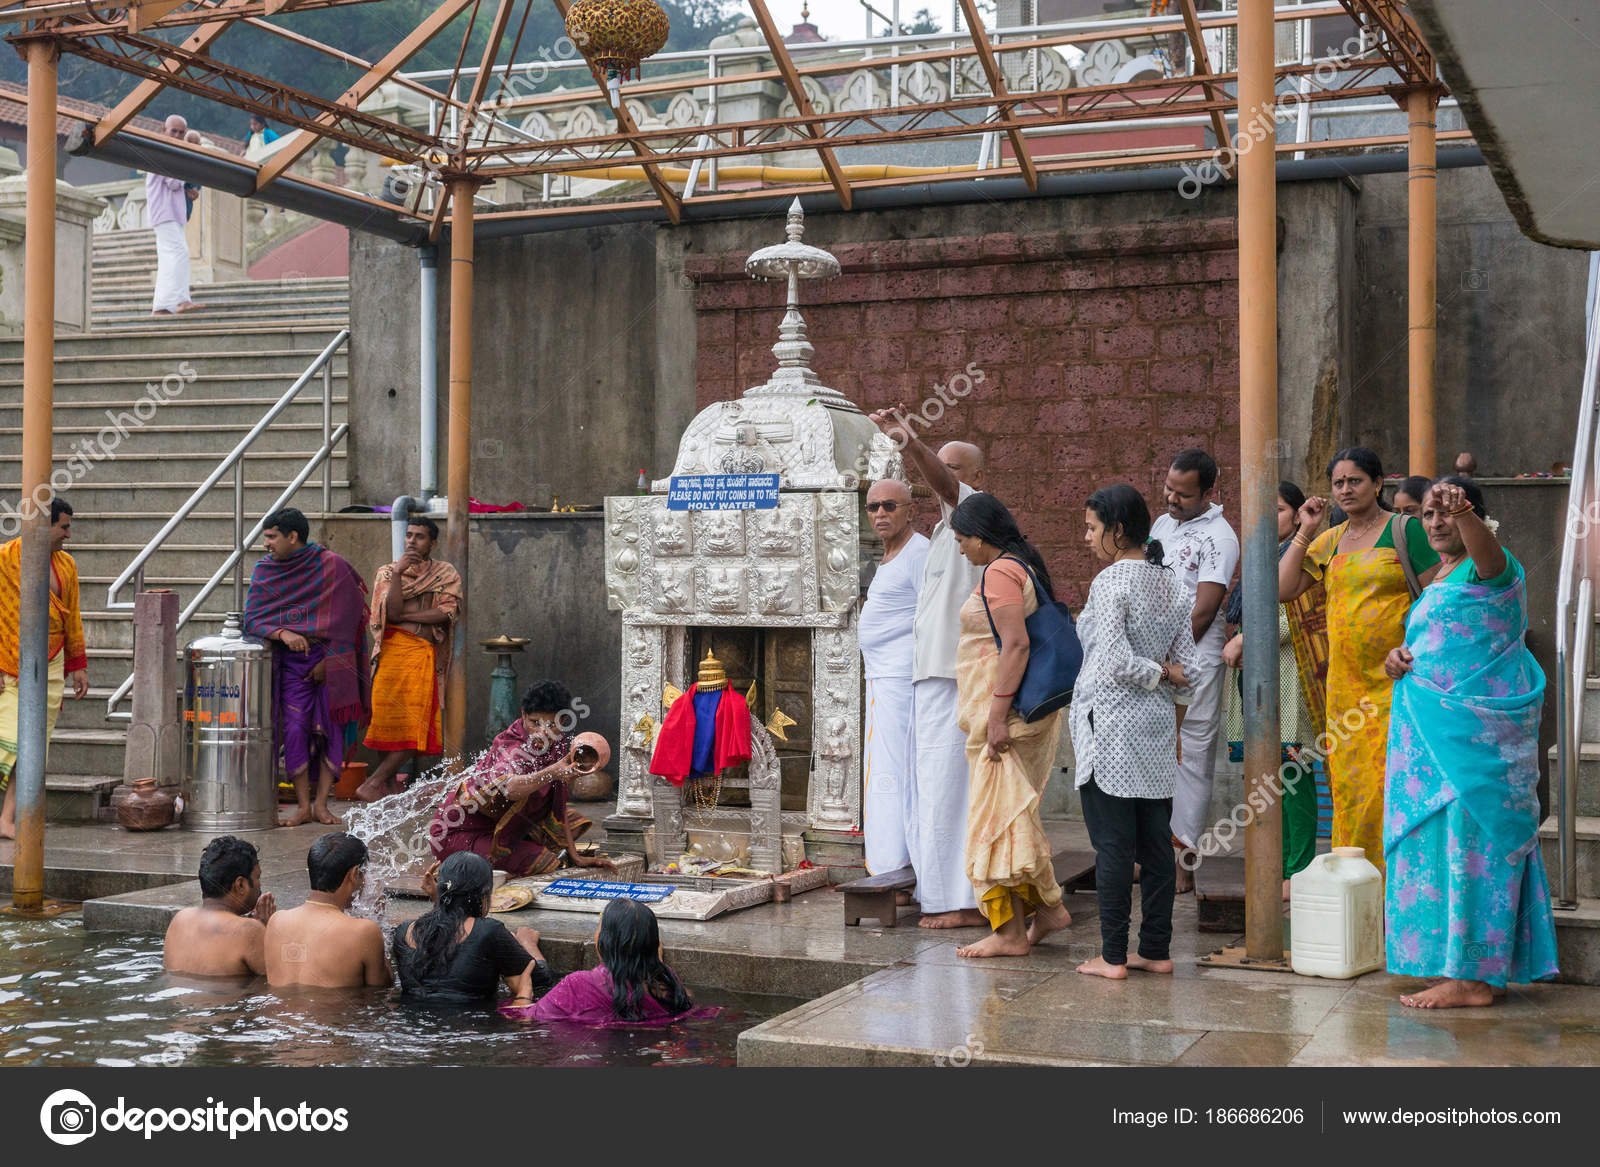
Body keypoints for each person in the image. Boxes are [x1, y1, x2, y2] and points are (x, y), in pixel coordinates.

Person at [1384, 477, 1559, 1007]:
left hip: (1475, 744)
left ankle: (1474, 977)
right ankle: (1446, 961)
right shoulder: (1441, 576)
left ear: (1474, 518)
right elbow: (1436, 643)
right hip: (1429, 744)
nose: (1435, 523)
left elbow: (1489, 558)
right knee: (1436, 848)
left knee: (1470, 848)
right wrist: (1399, 656)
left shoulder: (1496, 569)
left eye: (1446, 514)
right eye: (1428, 516)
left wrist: (1464, 514)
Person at [1280, 446, 1439, 871]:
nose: (1346, 489)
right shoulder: (1330, 541)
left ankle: (1398, 886)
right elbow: (1284, 587)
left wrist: (1414, 651)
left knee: (1388, 788)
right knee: (1350, 792)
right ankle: (1357, 884)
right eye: (1338, 483)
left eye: (1355, 481)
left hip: (1398, 684)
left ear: (1378, 483)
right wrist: (1305, 530)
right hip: (1344, 690)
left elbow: (1437, 601)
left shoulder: (1406, 531)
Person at [868, 404, 988, 929]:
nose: (938, 480)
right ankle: (940, 894)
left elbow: (943, 485)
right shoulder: (948, 532)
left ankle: (959, 901)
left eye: (951, 471)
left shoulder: (974, 511)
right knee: (930, 791)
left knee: (944, 789)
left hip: (949, 677)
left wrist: (909, 443)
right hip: (929, 679)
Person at [1071, 485, 1196, 979]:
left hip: (1112, 730)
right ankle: (1156, 950)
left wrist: (1160, 673)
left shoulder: (1111, 581)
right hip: (1157, 727)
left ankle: (1113, 956)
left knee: (1114, 848)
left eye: (1092, 528)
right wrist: (1171, 689)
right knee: (1155, 846)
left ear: (1117, 530)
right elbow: (1192, 669)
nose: (1087, 537)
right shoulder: (1173, 585)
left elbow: (1117, 662)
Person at [946, 494, 1073, 958]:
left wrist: (997, 716)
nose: (961, 549)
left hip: (1005, 716)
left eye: (962, 540)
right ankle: (1042, 912)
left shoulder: (1000, 571)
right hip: (1011, 712)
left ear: (980, 536)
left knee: (996, 820)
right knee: (1010, 816)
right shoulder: (1022, 564)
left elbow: (1015, 645)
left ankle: (1013, 931)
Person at [1219, 481, 1328, 896]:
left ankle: (1297, 867)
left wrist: (1247, 639)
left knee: (1293, 773)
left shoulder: (1310, 556)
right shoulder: (1262, 557)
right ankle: (1274, 862)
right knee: (1264, 774)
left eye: (1280, 510)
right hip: (1255, 675)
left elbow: (1300, 615)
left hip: (1288, 675)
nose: (1270, 519)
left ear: (1300, 514)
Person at [243, 507, 371, 826]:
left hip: (332, 662)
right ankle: (302, 805)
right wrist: (283, 632)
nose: (266, 544)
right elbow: (253, 618)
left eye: (271, 537)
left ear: (293, 536)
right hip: (290, 665)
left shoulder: (331, 566)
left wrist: (332, 661)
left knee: (332, 730)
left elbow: (352, 617)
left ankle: (322, 805)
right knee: (296, 730)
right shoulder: (264, 571)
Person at [1149, 449, 1239, 891]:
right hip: (1157, 655)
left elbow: (1204, 611)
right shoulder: (1163, 525)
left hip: (1196, 658)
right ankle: (1153, 854)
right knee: (1157, 753)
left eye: (1183, 494)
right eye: (1168, 488)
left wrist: (1169, 658)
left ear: (1208, 492)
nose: (1171, 499)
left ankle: (1182, 860)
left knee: (1191, 755)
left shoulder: (1219, 537)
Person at [428, 680, 616, 877]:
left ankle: (493, 861)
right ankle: (458, 866)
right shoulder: (513, 748)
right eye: (535, 723)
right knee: (546, 862)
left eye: (552, 724)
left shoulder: (556, 743)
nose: (542, 732)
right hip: (458, 835)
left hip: (496, 828)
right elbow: (509, 788)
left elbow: (558, 804)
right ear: (524, 714)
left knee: (571, 821)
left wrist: (575, 855)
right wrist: (552, 772)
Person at [0, 499, 88, 839]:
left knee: (33, 745)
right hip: (9, 662)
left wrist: (78, 665)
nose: (68, 534)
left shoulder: (66, 565)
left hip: (51, 663)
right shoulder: (6, 558)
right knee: (10, 740)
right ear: (42, 526)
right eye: (62, 527)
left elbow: (73, 616)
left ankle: (7, 818)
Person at [358, 517, 463, 801]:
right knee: (386, 723)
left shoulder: (445, 573)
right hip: (391, 654)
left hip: (421, 655)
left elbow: (446, 611)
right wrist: (399, 572)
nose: (412, 541)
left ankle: (373, 782)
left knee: (419, 724)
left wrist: (406, 615)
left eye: (419, 536)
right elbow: (388, 614)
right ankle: (389, 784)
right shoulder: (388, 572)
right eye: (409, 535)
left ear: (433, 543)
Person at [858, 478, 930, 877]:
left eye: (889, 506)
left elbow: (934, 616)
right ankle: (888, 863)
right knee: (882, 770)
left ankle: (898, 865)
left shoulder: (920, 553)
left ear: (910, 511)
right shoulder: (888, 556)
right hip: (882, 679)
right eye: (873, 507)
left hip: (902, 680)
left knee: (896, 771)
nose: (881, 514)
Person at [515, 897, 711, 1027]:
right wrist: (655, 961)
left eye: (599, 929)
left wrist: (523, 994)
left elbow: (522, 1020)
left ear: (604, 942)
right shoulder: (667, 980)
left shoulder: (578, 984)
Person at [391, 851, 552, 1005]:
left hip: (415, 1026)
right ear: (484, 894)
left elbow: (442, 937)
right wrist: (528, 944)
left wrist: (440, 900)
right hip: (471, 1029)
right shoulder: (489, 931)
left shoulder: (404, 931)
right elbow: (541, 982)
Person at [264, 832, 391, 989]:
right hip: (339, 1013)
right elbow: (383, 989)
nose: (365, 882)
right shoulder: (364, 931)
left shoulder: (277, 920)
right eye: (363, 874)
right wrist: (377, 918)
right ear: (353, 874)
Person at [163, 836, 276, 977]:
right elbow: (279, 980)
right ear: (240, 885)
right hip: (229, 999)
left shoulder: (180, 919)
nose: (259, 885)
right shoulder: (249, 930)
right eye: (257, 877)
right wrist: (267, 929)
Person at [147, 114, 198, 315]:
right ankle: (180, 301)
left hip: (170, 213)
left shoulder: (169, 151)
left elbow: (175, 184)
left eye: (181, 132)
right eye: (174, 131)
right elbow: (174, 182)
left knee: (169, 256)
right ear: (164, 129)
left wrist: (188, 190)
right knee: (179, 253)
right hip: (165, 212)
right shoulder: (164, 151)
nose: (177, 135)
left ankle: (161, 306)